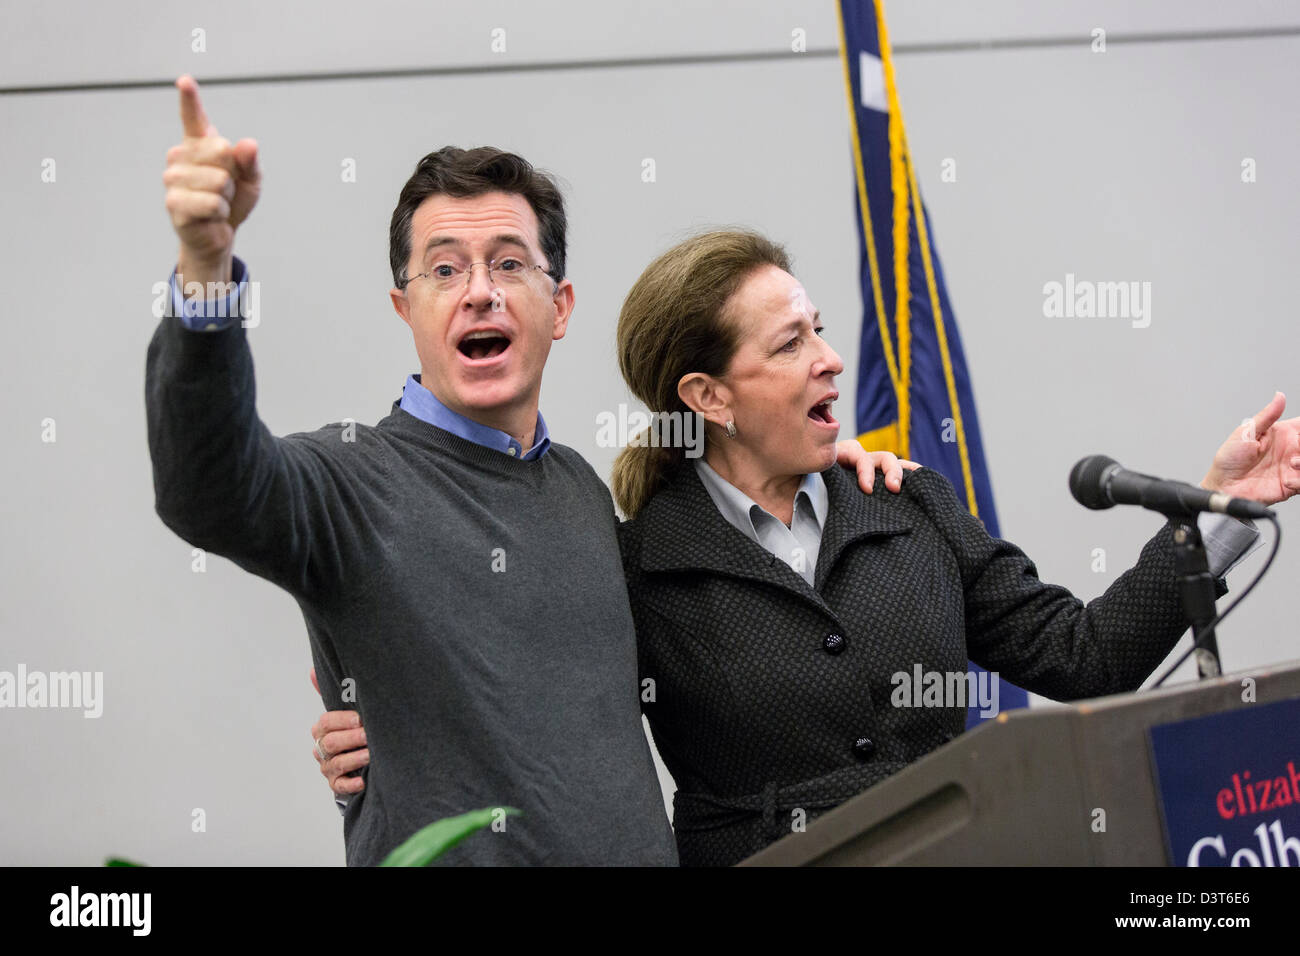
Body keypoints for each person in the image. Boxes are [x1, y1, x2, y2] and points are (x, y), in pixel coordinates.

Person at [316, 229, 1299, 866]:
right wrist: (374, 733)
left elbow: (1081, 655)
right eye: (789, 344)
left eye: (820, 329)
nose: (829, 357)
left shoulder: (907, 502)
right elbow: (526, 718)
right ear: (707, 395)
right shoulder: (634, 563)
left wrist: (1214, 506)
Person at [148, 77, 900, 866]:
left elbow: (723, 643)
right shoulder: (345, 483)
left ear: (561, 306)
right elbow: (207, 489)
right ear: (405, 311)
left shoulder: (582, 491)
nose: (478, 292)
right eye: (443, 270)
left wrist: (813, 471)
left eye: (508, 264)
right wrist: (205, 271)